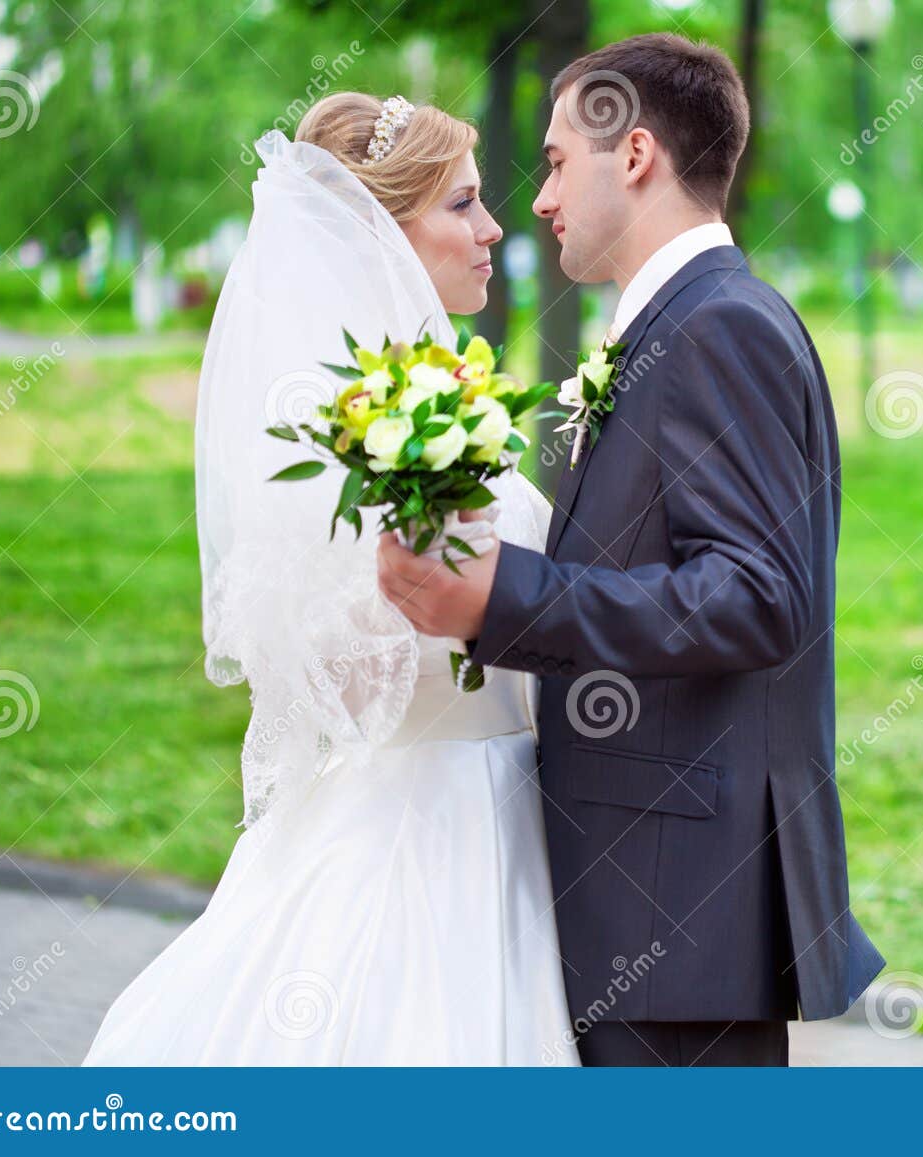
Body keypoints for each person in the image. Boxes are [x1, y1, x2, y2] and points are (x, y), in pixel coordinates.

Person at [376, 34, 884, 1068]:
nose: (542, 197)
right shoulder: (687, 321)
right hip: (658, 900)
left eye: (558, 160)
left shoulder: (716, 328)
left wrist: (500, 599)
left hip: (677, 904)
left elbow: (755, 595)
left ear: (637, 155)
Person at [83, 92, 576, 1065]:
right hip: (424, 829)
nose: (491, 228)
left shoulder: (437, 398)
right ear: (380, 232)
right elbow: (333, 667)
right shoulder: (343, 428)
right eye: (461, 205)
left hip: (520, 808)